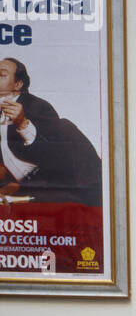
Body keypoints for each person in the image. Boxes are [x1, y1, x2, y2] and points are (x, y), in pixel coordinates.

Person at [0, 58, 103, 206]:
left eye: (1, 74)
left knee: (66, 125)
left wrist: (22, 123)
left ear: (18, 84)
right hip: (23, 185)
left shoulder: (37, 106)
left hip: (54, 183)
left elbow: (53, 154)